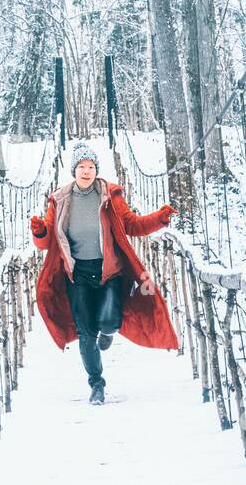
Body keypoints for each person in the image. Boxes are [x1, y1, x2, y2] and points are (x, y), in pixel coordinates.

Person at [30, 141, 179, 404]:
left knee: (109, 321)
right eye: (81, 166)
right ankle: (96, 384)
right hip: (77, 276)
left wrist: (160, 218)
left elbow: (132, 225)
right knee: (86, 333)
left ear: (96, 170)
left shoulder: (110, 196)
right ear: (73, 170)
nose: (86, 171)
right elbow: (47, 241)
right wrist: (39, 231)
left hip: (108, 272)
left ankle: (109, 331)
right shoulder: (60, 199)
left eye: (90, 166)